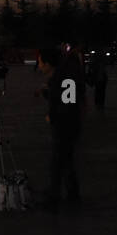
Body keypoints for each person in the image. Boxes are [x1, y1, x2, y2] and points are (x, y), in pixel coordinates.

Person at [38, 45, 82, 211]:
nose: (40, 65)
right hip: (68, 125)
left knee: (56, 162)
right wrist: (48, 94)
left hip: (65, 126)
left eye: (40, 62)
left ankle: (53, 195)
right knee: (67, 161)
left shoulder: (64, 77)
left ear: (48, 63)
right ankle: (72, 193)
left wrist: (53, 116)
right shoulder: (61, 76)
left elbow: (69, 103)